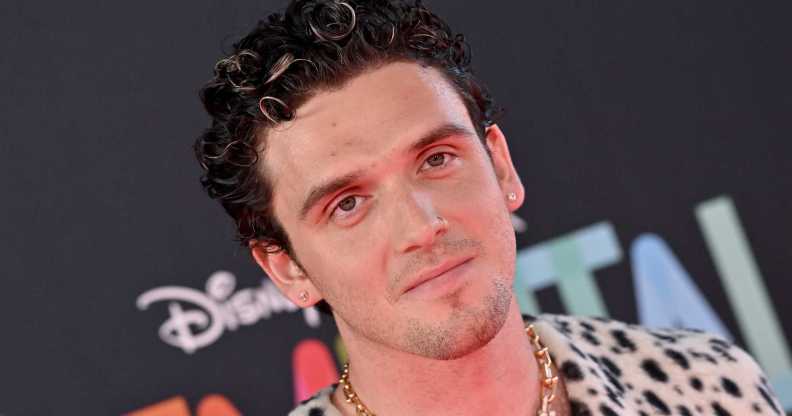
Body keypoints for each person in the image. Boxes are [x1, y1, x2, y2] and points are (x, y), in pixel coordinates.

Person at [194, 1, 784, 415]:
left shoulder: (710, 387)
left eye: (436, 159)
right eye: (348, 203)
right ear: (287, 269)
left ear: (500, 165)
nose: (423, 225)